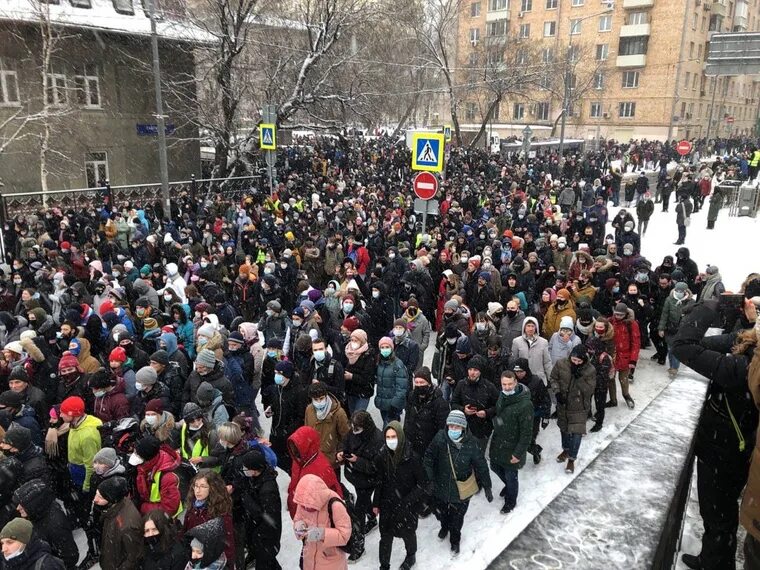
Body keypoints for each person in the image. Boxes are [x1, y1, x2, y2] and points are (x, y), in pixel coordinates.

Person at [671, 297, 758, 570]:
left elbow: (684, 347)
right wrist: (746, 323)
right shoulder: (748, 353)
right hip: (731, 447)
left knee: (718, 513)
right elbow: (707, 345)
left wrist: (705, 309)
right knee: (720, 513)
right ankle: (713, 558)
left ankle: (716, 564)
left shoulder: (742, 369)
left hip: (725, 451)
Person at [424, 410, 492, 556]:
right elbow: (428, 457)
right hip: (440, 486)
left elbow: (481, 465)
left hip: (461, 490)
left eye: (457, 427)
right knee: (441, 513)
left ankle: (455, 540)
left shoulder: (471, 443)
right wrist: (429, 478)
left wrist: (487, 485)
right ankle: (444, 526)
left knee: (457, 519)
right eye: (451, 426)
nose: (453, 429)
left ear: (463, 428)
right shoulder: (440, 438)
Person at [372, 421, 425, 570]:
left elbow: (423, 484)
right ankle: (384, 565)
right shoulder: (382, 457)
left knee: (408, 534)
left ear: (400, 436)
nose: (391, 440)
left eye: (394, 436)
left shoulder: (412, 458)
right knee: (385, 537)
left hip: (406, 507)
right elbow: (379, 481)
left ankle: (411, 555)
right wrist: (376, 503)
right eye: (388, 437)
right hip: (387, 504)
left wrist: (407, 501)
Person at [489, 370, 533, 514]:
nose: (507, 387)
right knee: (495, 466)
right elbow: (500, 412)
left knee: (511, 475)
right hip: (499, 441)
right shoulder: (502, 395)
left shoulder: (525, 405)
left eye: (509, 384)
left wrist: (518, 453)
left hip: (513, 446)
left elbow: (526, 433)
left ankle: (511, 500)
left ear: (515, 382)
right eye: (504, 384)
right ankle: (508, 486)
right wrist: (497, 422)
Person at [232, 450, 282, 570]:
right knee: (268, 562)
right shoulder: (257, 478)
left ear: (254, 470)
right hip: (259, 533)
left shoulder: (267, 489)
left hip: (266, 536)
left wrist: (246, 499)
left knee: (265, 563)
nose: (244, 470)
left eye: (246, 468)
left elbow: (266, 515)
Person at [12, 479, 79, 568]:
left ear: (33, 503)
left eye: (22, 504)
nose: (17, 508)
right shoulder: (38, 513)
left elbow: (70, 556)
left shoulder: (55, 524)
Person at [550, 345, 596, 474]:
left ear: (584, 360)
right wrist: (557, 392)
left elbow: (589, 390)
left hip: (579, 406)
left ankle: (571, 459)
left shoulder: (590, 370)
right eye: (573, 360)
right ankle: (566, 449)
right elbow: (553, 378)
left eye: (578, 361)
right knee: (564, 429)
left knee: (576, 433)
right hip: (563, 404)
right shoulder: (561, 364)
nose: (575, 363)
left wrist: (579, 378)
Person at [292, 474, 352, 570]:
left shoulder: (335, 505)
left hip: (331, 561)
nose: (306, 509)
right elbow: (298, 518)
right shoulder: (304, 501)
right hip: (309, 559)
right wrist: (298, 526)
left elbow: (344, 536)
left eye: (310, 507)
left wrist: (321, 534)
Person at [286, 426, 343, 518]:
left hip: (316, 520)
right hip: (301, 518)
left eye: (297, 446)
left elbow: (334, 497)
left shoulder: (322, 468)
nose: (294, 451)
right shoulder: (298, 461)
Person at [183, 470, 235, 568]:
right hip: (193, 557)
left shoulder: (220, 512)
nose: (197, 490)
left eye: (203, 486)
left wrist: (228, 565)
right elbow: (185, 533)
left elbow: (228, 544)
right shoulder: (192, 507)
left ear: (212, 488)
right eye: (196, 486)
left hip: (211, 562)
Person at [450, 355, 499, 452]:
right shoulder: (461, 384)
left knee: (478, 456)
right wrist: (463, 410)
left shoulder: (489, 387)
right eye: (470, 369)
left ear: (480, 371)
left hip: (483, 429)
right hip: (464, 427)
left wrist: (486, 413)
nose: (472, 372)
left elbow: (498, 406)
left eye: (476, 370)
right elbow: (453, 403)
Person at [267, 360, 307, 474]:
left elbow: (301, 416)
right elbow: (275, 405)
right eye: (275, 372)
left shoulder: (299, 391)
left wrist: (288, 431)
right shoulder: (276, 389)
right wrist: (270, 410)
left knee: (291, 463)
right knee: (276, 458)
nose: (277, 376)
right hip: (275, 431)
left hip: (289, 434)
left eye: (279, 373)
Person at [95, 476, 144, 570]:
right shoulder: (114, 509)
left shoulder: (127, 526)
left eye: (100, 497)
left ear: (112, 499)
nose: (95, 499)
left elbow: (134, 557)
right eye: (96, 494)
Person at [129, 435, 183, 518]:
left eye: (137, 454)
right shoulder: (145, 466)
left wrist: (142, 507)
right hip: (151, 507)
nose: (134, 455)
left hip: (163, 518)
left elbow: (169, 509)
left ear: (147, 457)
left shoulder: (167, 477)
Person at [404, 367, 450, 458]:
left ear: (428, 383)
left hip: (428, 446)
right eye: (416, 382)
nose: (419, 385)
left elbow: (442, 428)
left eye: (422, 382)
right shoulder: (412, 397)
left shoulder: (439, 402)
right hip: (412, 444)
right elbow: (408, 419)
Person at [511, 359, 551, 464]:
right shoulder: (512, 382)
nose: (519, 374)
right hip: (516, 416)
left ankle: (535, 451)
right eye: (517, 372)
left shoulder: (536, 382)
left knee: (528, 439)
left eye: (521, 371)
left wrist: (546, 417)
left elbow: (545, 399)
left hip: (533, 416)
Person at [658, 281, 695, 379]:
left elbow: (692, 316)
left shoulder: (690, 302)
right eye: (677, 290)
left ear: (685, 291)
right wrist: (661, 328)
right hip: (670, 328)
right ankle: (672, 366)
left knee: (676, 348)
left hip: (683, 329)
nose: (679, 292)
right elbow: (664, 314)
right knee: (670, 349)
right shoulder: (669, 299)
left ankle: (675, 368)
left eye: (681, 291)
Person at [0, 517, 65, 569]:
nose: (3, 549)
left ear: (25, 541)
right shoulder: (6, 564)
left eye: (10, 542)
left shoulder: (47, 565)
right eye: (2, 543)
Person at [608, 302, 639, 409]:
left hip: (625, 356)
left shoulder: (632, 324)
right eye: (616, 314)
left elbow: (636, 343)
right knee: (610, 378)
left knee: (623, 378)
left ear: (625, 314)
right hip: (612, 355)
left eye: (621, 315)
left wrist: (633, 360)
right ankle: (613, 399)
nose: (618, 317)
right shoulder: (610, 321)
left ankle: (626, 395)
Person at [374, 337, 408, 427]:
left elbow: (402, 387)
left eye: (387, 347)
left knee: (388, 428)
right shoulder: (379, 363)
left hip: (392, 405)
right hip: (383, 403)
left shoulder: (398, 364)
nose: (385, 350)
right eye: (382, 347)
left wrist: (395, 404)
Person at [342, 329, 375, 414]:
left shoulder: (368, 355)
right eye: (352, 340)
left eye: (356, 340)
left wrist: (352, 376)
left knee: (358, 417)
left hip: (363, 393)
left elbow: (367, 378)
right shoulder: (347, 351)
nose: (353, 342)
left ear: (362, 342)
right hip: (350, 391)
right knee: (352, 416)